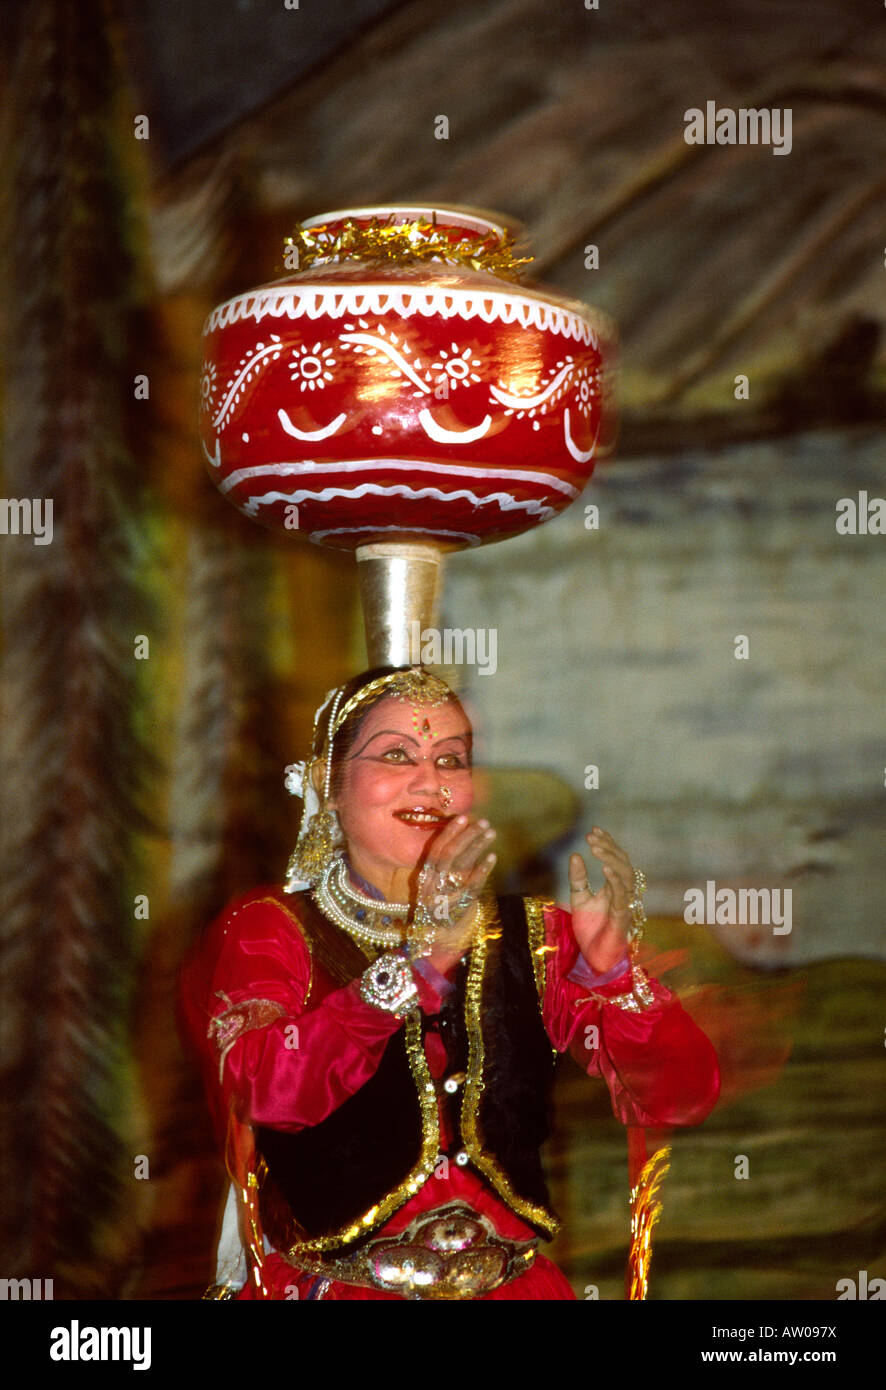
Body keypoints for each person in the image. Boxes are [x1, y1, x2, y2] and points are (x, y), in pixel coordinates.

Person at [179, 664, 720, 1300]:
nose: (429, 784)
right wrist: (418, 967)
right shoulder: (273, 931)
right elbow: (262, 1092)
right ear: (328, 782)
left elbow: (682, 1095)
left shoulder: (537, 936)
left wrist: (616, 976)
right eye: (395, 755)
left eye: (452, 760)